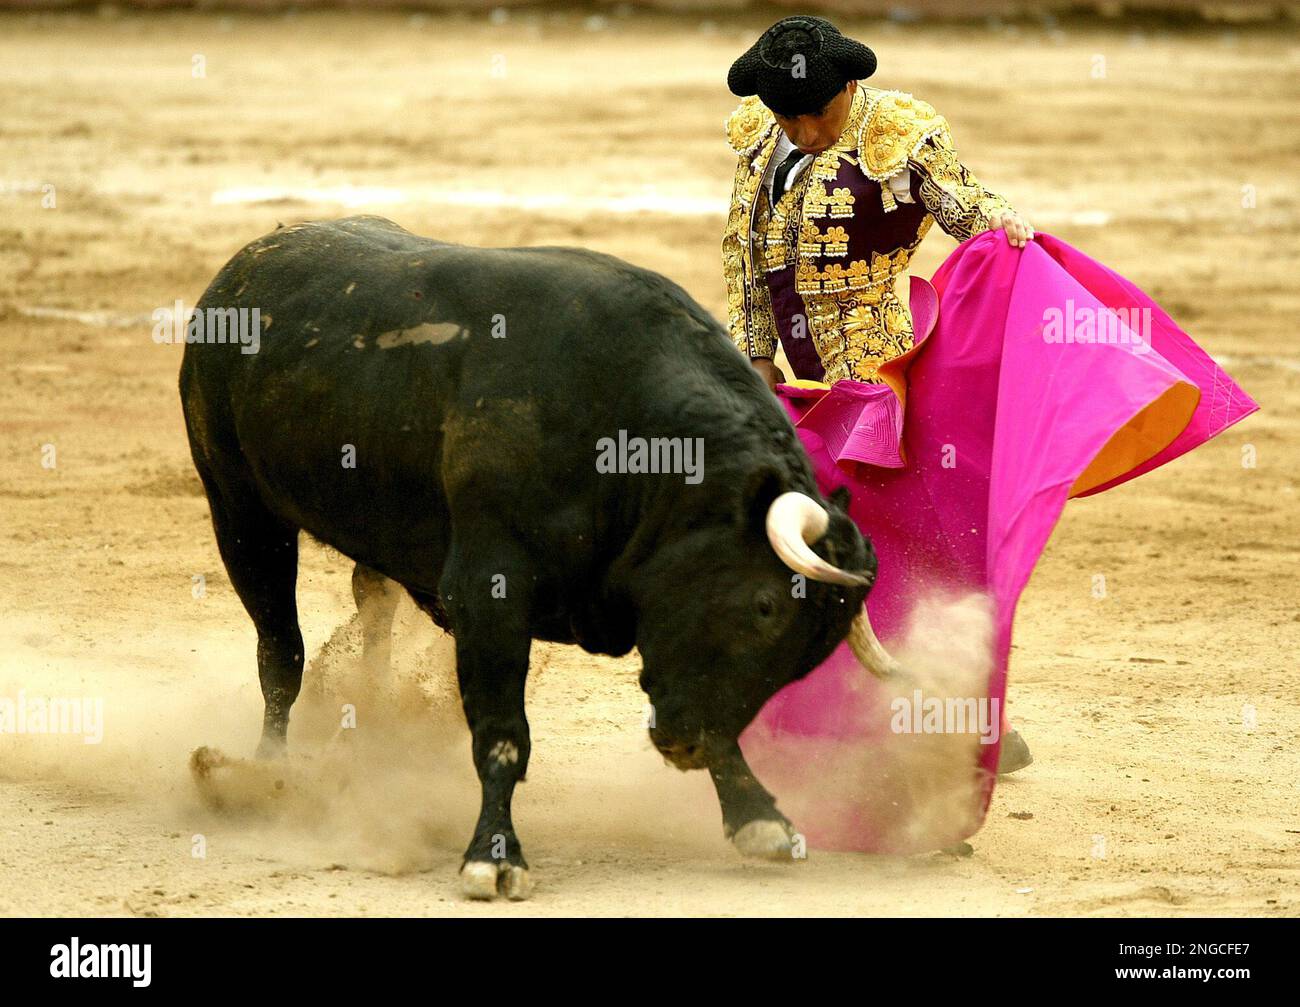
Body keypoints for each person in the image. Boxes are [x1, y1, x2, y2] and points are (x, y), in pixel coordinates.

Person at [723, 14, 1034, 774]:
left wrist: (1023, 241)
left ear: (850, 87)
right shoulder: (763, 140)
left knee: (892, 545)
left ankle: (949, 722)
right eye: (786, 116)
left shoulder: (897, 137)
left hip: (877, 381)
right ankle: (807, 722)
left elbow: (972, 214)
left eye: (816, 114)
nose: (801, 130)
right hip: (791, 387)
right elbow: (745, 254)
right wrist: (754, 357)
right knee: (782, 540)